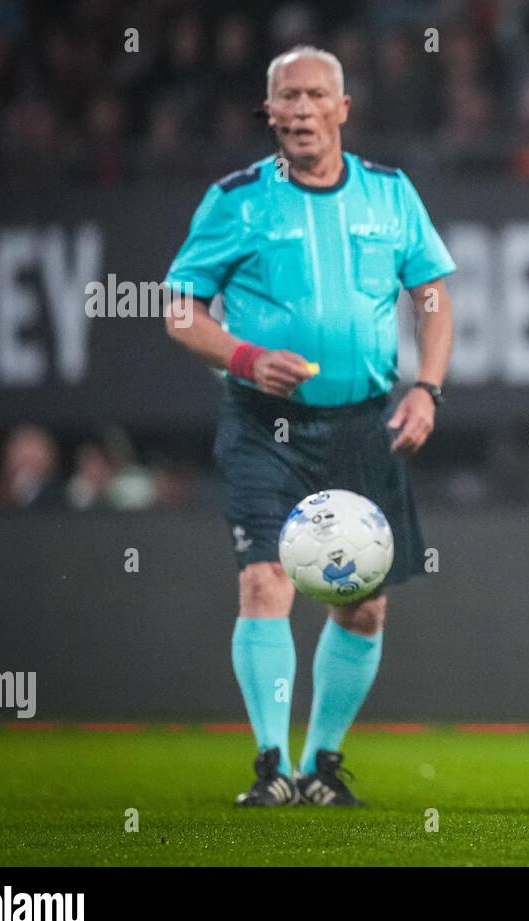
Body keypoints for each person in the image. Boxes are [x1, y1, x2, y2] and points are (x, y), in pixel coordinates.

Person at [164, 46, 455, 807]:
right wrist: (243, 354)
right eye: (283, 97)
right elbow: (178, 308)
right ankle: (271, 768)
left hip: (364, 424)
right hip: (265, 424)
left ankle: (323, 765)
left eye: (312, 95)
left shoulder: (391, 195)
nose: (296, 109)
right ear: (269, 113)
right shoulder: (235, 201)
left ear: (341, 109)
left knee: (363, 601)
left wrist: (426, 387)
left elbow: (432, 297)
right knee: (265, 581)